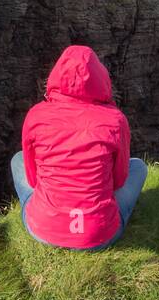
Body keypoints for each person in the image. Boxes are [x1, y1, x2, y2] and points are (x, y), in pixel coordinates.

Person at [11, 45, 148, 251]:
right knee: (138, 167)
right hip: (99, 236)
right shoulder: (115, 120)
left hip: (43, 231)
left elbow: (33, 179)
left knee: (18, 159)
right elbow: (118, 181)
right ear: (100, 78)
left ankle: (50, 216)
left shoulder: (36, 115)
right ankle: (94, 222)